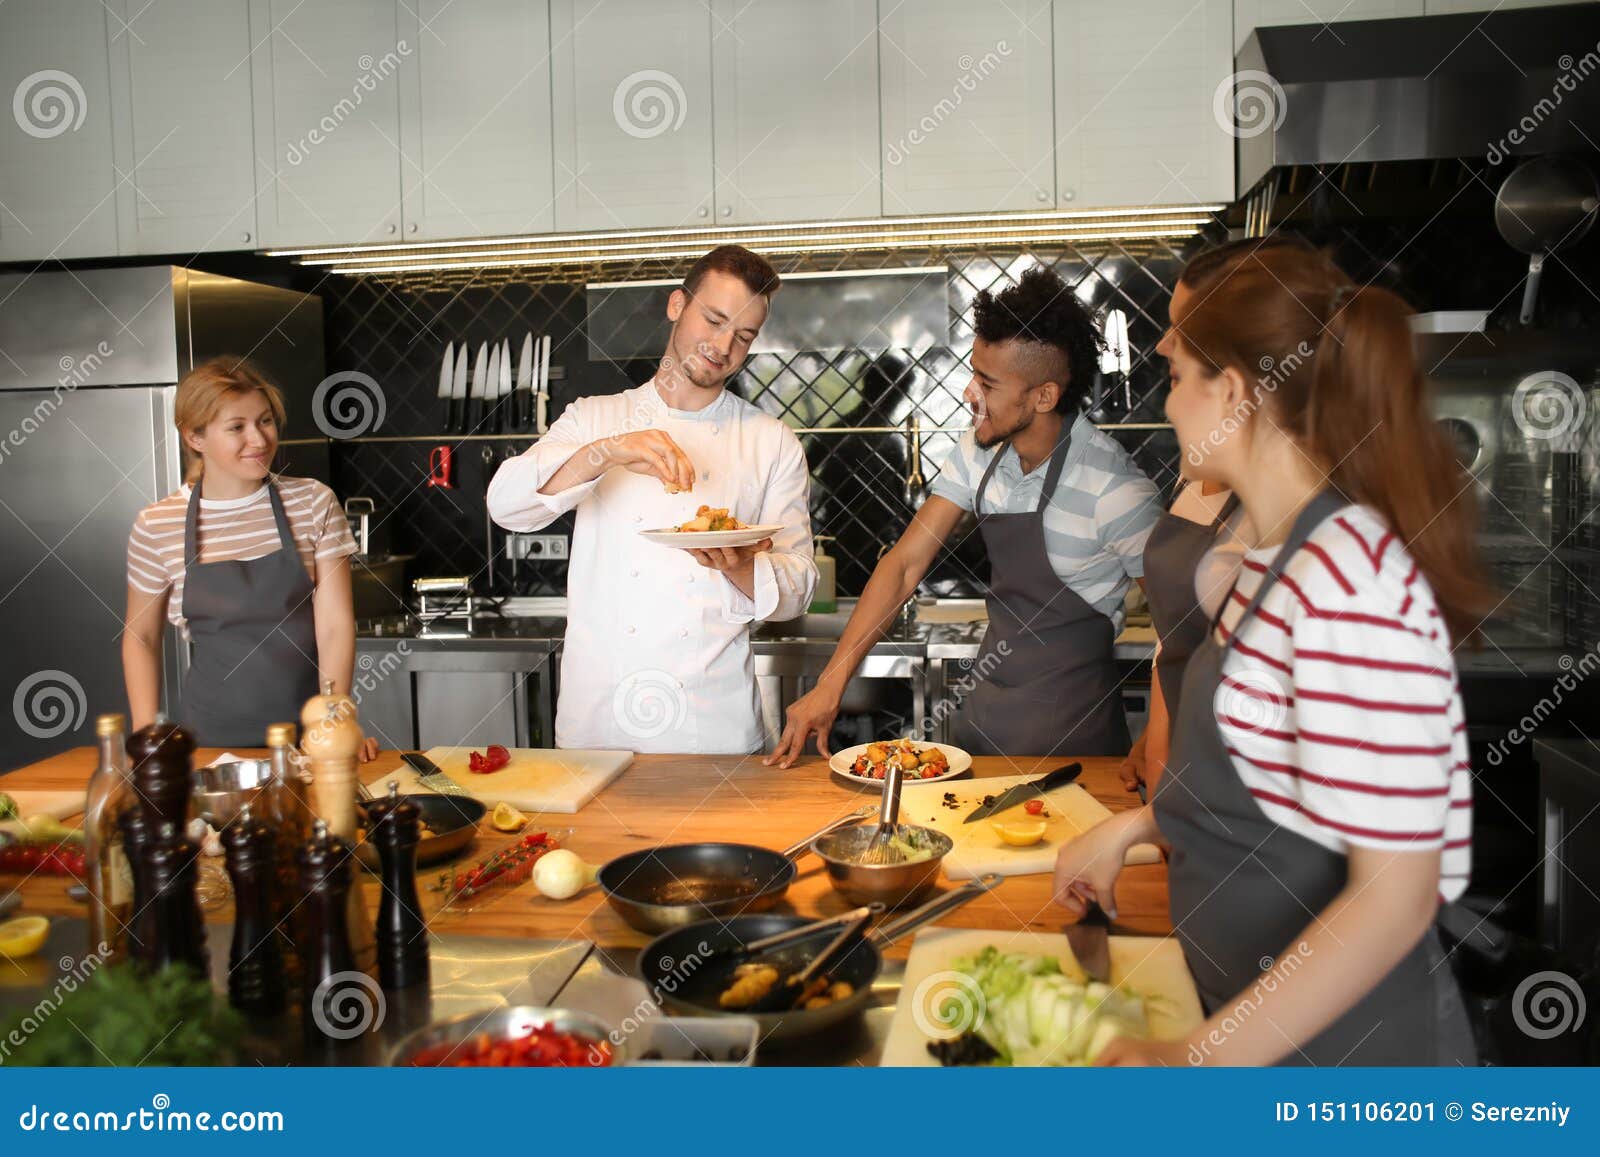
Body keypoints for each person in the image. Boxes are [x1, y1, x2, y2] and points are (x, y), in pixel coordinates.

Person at [1054, 245, 1489, 1065]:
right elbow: (1275, 784)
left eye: (1178, 376)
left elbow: (1396, 894)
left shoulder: (1345, 572)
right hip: (1252, 1030)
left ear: (1231, 390)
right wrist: (1142, 827)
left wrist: (1196, 1063)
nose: (1168, 402)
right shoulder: (1270, 557)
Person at [767, 266, 1160, 763]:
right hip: (978, 742)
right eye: (974, 374)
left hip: (1078, 758)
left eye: (988, 383)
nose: (970, 393)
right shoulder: (979, 452)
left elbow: (1183, 628)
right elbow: (905, 565)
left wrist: (1161, 735)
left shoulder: (1115, 488)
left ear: (1044, 396)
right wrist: (831, 683)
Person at [487, 245, 816, 753]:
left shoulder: (771, 441)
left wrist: (736, 566)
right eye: (713, 319)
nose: (723, 345)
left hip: (714, 732)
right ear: (676, 306)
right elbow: (506, 506)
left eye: (744, 336)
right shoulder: (594, 419)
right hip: (599, 728)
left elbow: (799, 587)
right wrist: (606, 453)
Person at [1122, 238, 1322, 794]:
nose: (1163, 348)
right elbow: (1177, 648)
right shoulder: (1211, 484)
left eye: (1182, 357)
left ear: (1231, 384)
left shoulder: (1325, 555)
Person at [123, 357, 378, 758]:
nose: (259, 440)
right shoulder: (158, 525)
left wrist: (335, 724)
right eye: (237, 427)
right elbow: (141, 636)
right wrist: (145, 739)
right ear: (195, 437)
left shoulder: (312, 502)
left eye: (265, 421)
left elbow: (334, 625)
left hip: (307, 740)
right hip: (208, 745)